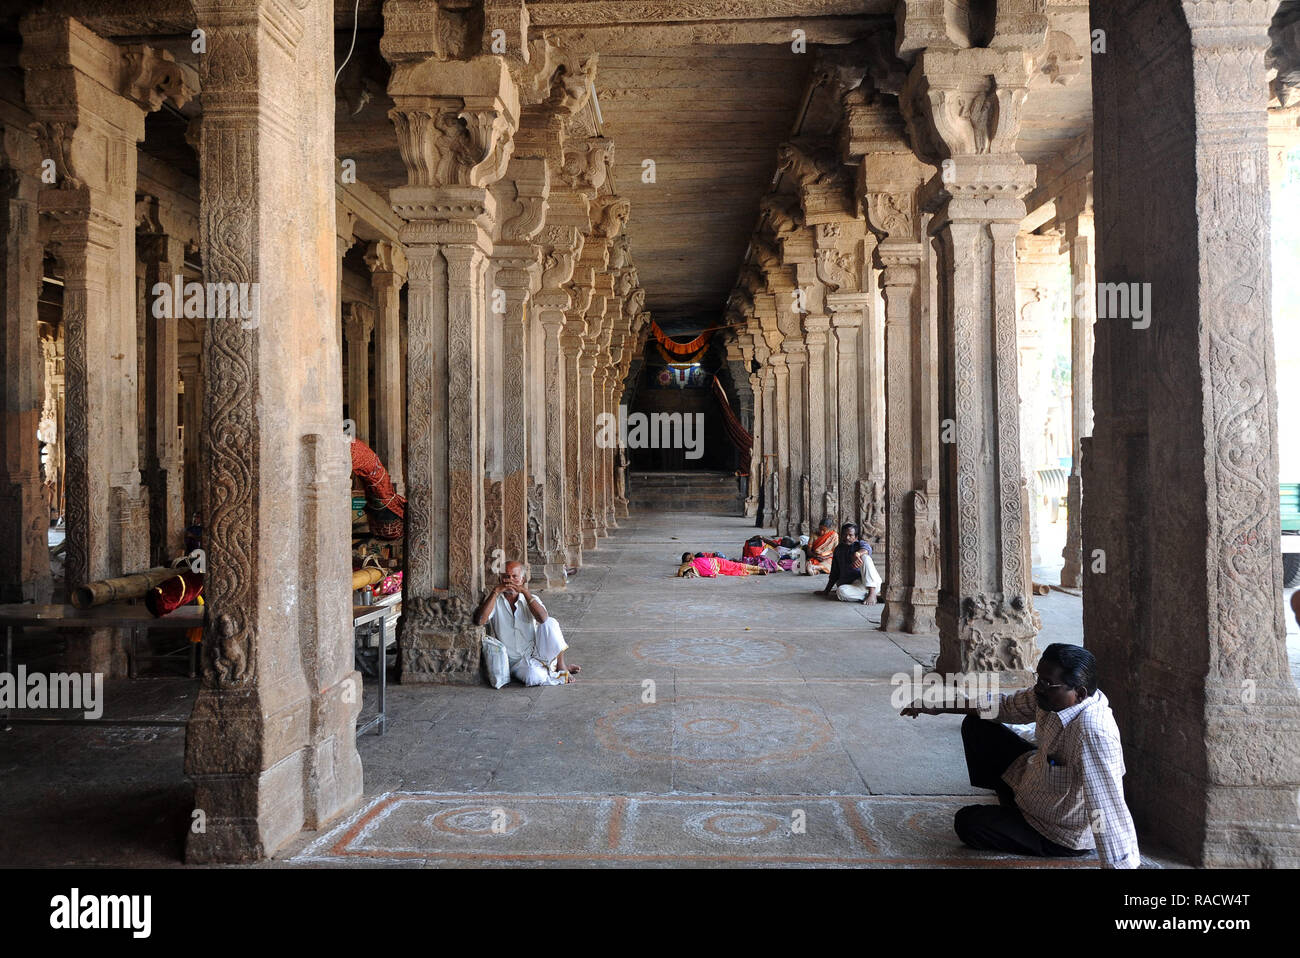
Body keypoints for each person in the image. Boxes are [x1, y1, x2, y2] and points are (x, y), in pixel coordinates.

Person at [900, 643, 1140, 868]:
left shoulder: (1093, 732)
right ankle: (1011, 802)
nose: (1038, 689)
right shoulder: (1049, 698)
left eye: (1047, 684)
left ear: (1079, 692)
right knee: (978, 725)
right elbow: (1003, 706)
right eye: (1038, 679)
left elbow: (1105, 805)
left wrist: (1118, 864)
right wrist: (939, 705)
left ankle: (1018, 817)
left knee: (967, 822)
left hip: (1056, 829)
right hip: (1035, 778)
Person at [473, 560, 579, 686]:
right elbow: (480, 621)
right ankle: (552, 669)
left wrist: (525, 592)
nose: (510, 581)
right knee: (534, 677)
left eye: (514, 577)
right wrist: (495, 592)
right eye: (506, 577)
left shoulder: (529, 598)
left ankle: (561, 666)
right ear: (501, 579)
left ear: (522, 580)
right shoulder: (495, 601)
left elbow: (542, 618)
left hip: (535, 653)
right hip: (516, 662)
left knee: (551, 622)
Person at [818, 523, 881, 603]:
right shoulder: (838, 550)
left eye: (850, 535)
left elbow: (867, 549)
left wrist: (857, 554)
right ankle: (870, 596)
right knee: (840, 591)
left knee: (865, 557)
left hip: (871, 583)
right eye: (844, 535)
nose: (847, 537)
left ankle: (872, 593)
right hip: (855, 586)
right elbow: (834, 573)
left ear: (856, 537)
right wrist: (826, 591)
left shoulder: (860, 544)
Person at [677, 553, 765, 577]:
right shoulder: (692, 565)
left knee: (736, 566)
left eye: (690, 557)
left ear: (692, 554)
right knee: (735, 572)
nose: (691, 559)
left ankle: (758, 568)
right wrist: (686, 565)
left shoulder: (698, 556)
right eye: (688, 559)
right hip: (718, 570)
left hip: (718, 561)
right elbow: (680, 572)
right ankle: (757, 572)